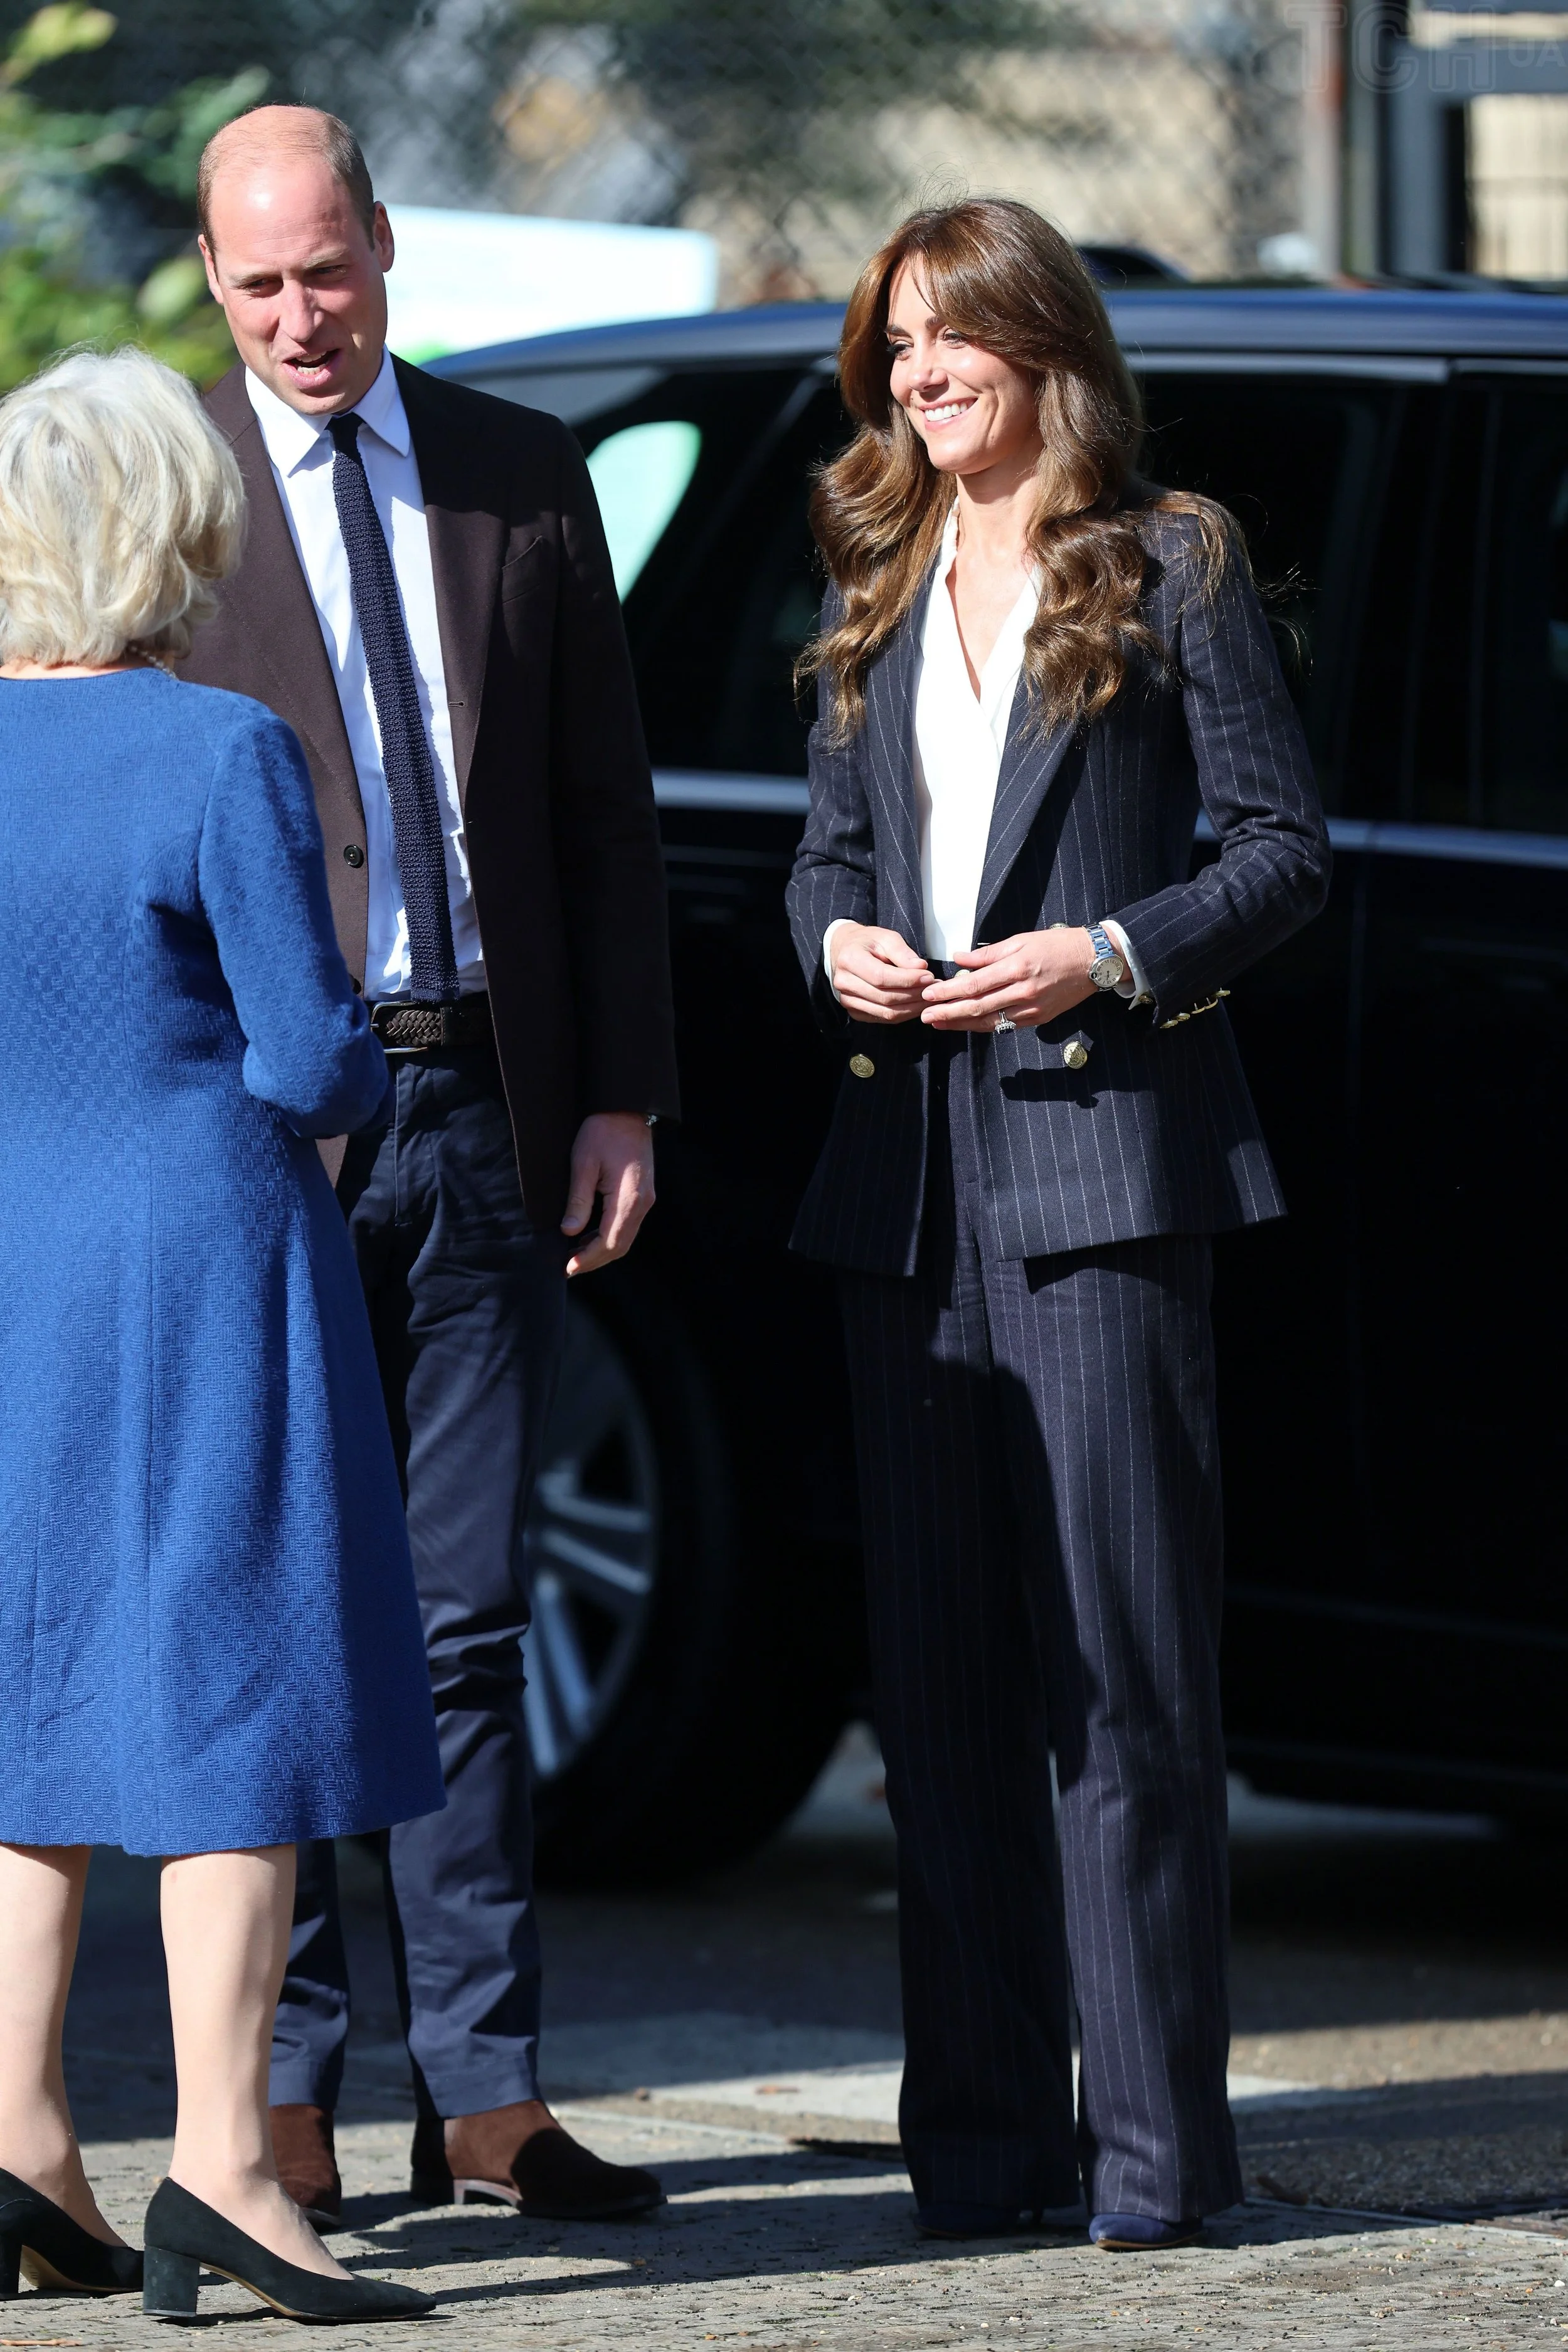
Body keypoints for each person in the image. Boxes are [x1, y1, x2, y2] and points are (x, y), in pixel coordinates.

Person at [787, 199, 1331, 2250]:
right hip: (906, 1186)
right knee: (933, 1708)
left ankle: (1152, 2165)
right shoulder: (872, 560)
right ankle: (985, 2155)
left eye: (952, 340)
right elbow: (824, 854)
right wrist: (828, 933)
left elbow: (1283, 855)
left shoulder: (1168, 554)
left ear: (1043, 350)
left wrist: (1105, 950)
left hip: (1106, 1178)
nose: (917, 375)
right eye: (896, 344)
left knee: (1119, 1688)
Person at [182, 104, 680, 2226]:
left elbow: (602, 811)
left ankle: (482, 2087)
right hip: (260, 1129)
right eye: (260, 284)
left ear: (388, 246)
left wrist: (618, 1092)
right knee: (280, 1618)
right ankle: (274, 2099)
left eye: (332, 269)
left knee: (469, 1617)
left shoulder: (515, 471)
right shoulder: (172, 502)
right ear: (212, 286)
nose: (304, 317)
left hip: (487, 1107)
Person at [0, 347, 443, 2323]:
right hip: (202, 1259)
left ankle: (17, 2142)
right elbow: (312, 1047)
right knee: (231, 1701)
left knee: (31, 1704)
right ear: (171, 525)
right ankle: (227, 2170)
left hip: (13, 1264)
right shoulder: (218, 749)